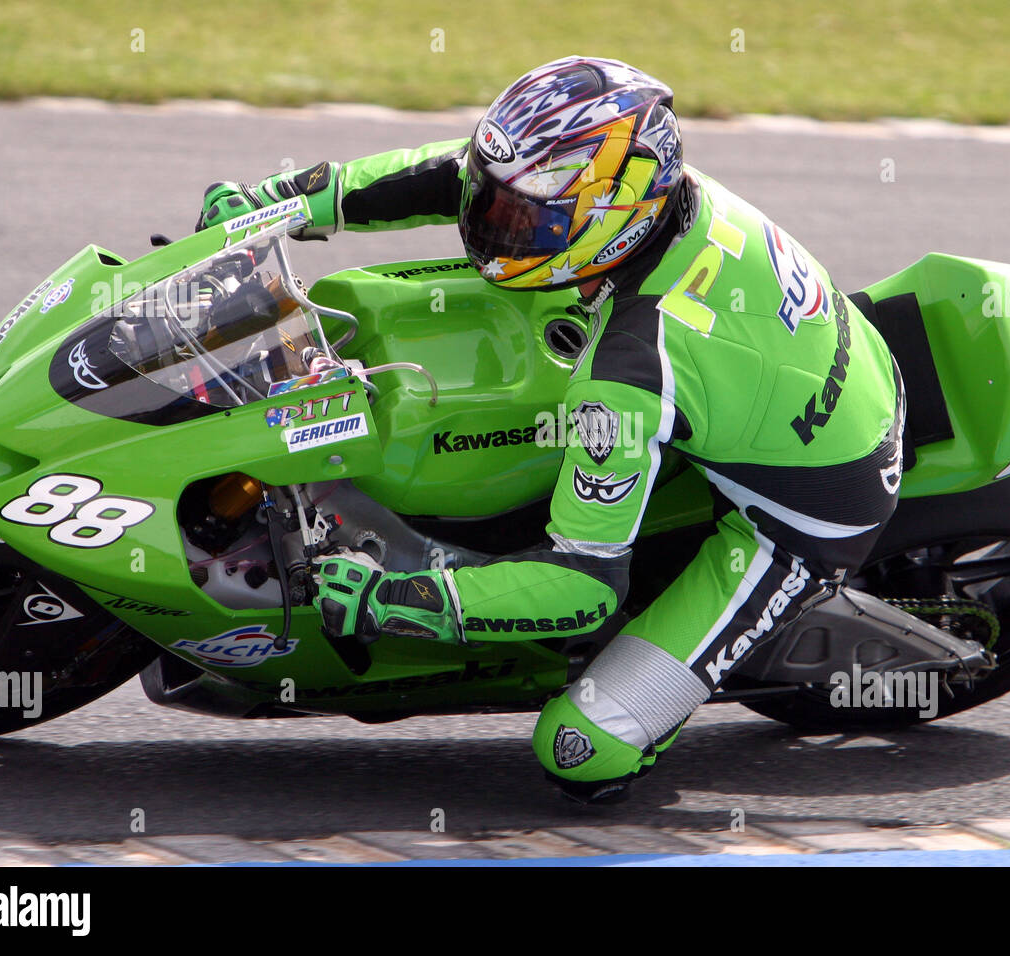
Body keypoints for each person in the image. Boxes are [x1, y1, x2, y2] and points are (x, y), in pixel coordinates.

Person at [197, 56, 906, 803]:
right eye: (498, 206)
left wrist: (398, 597)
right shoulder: (659, 198)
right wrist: (286, 201)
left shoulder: (629, 373)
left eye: (521, 220)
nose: (490, 224)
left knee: (580, 751)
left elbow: (586, 584)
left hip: (808, 512)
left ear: (606, 218)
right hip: (791, 374)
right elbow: (452, 174)